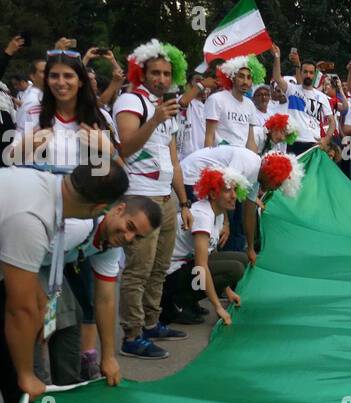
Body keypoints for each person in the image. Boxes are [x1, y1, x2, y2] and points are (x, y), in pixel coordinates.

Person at [0, 162, 129, 403]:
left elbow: (36, 278)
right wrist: (26, 375)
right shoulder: (36, 218)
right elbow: (19, 310)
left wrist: (43, 314)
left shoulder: (47, 186)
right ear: (97, 209)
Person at [113, 38, 194, 360]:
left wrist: (184, 202)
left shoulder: (168, 109)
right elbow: (126, 148)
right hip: (139, 197)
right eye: (155, 72)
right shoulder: (131, 102)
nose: (161, 78)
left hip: (167, 199)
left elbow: (174, 161)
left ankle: (151, 322)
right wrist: (156, 119)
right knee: (138, 269)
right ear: (141, 72)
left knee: (160, 266)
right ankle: (132, 335)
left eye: (166, 73)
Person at [42, 197, 161, 385]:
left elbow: (105, 299)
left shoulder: (110, 246)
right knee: (35, 324)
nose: (129, 238)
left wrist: (108, 357)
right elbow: (18, 256)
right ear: (119, 210)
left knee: (69, 317)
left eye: (137, 236)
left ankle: (66, 393)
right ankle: (28, 391)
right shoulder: (78, 226)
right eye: (130, 226)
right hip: (19, 257)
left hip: (44, 264)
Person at [160, 167, 248, 328]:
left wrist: (228, 291)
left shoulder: (218, 213)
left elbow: (210, 253)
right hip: (167, 275)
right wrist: (218, 307)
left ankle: (186, 300)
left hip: (184, 266)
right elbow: (201, 266)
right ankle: (173, 304)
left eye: (235, 190)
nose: (234, 196)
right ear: (213, 194)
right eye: (228, 191)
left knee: (241, 259)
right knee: (234, 268)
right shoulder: (203, 215)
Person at [269, 44, 333, 156]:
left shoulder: (321, 96)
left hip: (314, 143)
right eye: (305, 72)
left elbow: (332, 122)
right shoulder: (291, 89)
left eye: (311, 72)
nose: (308, 75)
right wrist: (277, 57)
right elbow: (277, 78)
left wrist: (326, 139)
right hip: (294, 141)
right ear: (301, 72)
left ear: (314, 75)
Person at [204, 55, 262, 151]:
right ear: (232, 77)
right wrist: (207, 164)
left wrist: (255, 161)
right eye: (241, 76)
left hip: (242, 158)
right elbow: (209, 136)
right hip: (220, 157)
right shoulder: (216, 99)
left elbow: (250, 141)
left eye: (249, 78)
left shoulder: (250, 104)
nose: (245, 82)